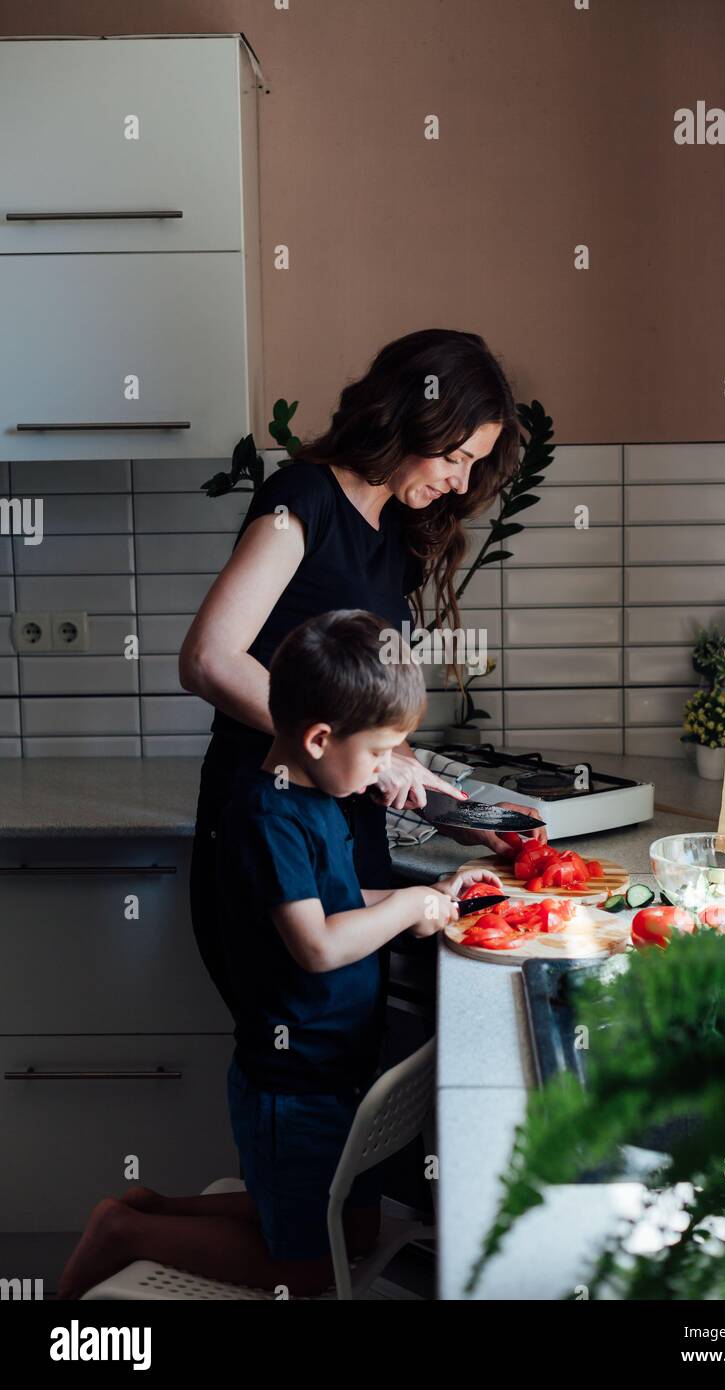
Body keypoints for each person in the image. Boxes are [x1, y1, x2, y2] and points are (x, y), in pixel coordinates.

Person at [57, 610, 504, 1299]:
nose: (390, 770)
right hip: (291, 1083)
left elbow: (334, 897)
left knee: (342, 1230)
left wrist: (435, 895)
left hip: (334, 1066)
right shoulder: (269, 815)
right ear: (320, 737)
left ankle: (147, 1212)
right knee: (303, 1266)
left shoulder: (317, 791)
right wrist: (407, 909)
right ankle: (124, 1234)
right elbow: (318, 945)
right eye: (383, 752)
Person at [178, 327, 532, 1019]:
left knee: (341, 1056)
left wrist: (449, 808)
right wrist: (382, 765)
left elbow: (363, 722)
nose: (462, 481)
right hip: (271, 823)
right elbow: (209, 659)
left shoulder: (394, 534)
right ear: (407, 416)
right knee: (293, 1063)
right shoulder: (301, 499)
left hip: (345, 837)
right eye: (456, 456)